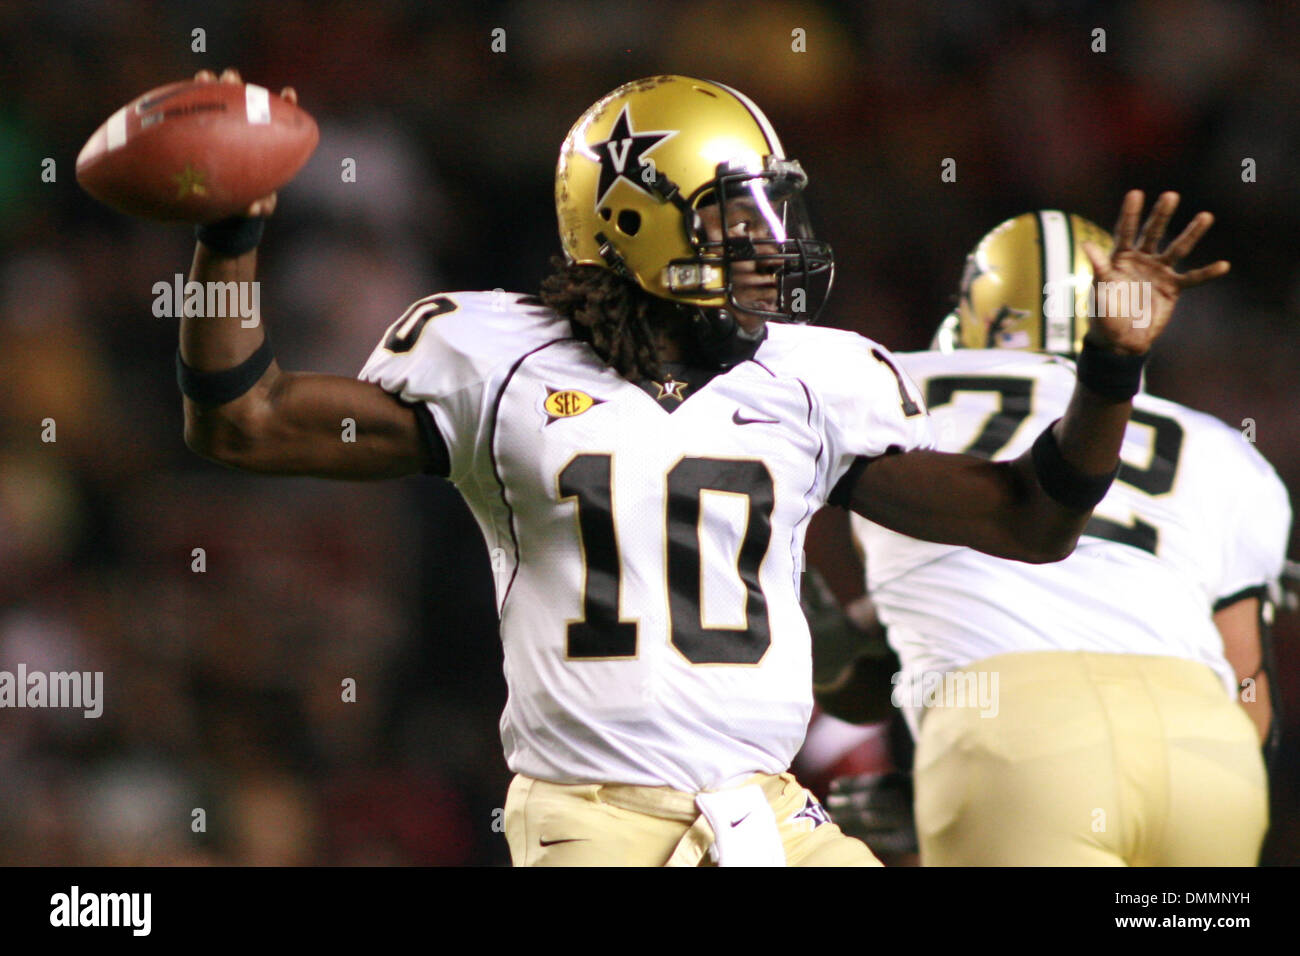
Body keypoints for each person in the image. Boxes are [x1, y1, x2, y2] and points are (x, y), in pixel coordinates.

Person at [175, 70, 1228, 866]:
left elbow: (1033, 518)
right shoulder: (497, 362)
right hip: (593, 815)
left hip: (769, 809)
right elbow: (245, 421)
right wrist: (229, 237)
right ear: (631, 222)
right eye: (735, 222)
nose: (770, 249)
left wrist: (1110, 364)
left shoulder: (810, 380)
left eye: (773, 216)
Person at [833, 210, 1290, 865]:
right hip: (1207, 750)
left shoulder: (880, 383)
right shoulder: (1222, 447)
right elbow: (1254, 703)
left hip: (1013, 735)